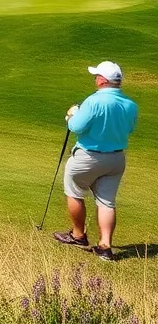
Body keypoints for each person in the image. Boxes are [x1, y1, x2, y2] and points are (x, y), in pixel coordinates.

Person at [53, 61, 139, 262]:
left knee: (74, 191)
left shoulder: (94, 101)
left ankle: (78, 235)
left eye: (96, 76)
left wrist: (71, 115)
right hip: (116, 159)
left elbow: (76, 126)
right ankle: (105, 246)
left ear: (102, 80)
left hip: (89, 157)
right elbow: (129, 129)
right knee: (107, 202)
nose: (95, 79)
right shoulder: (130, 105)